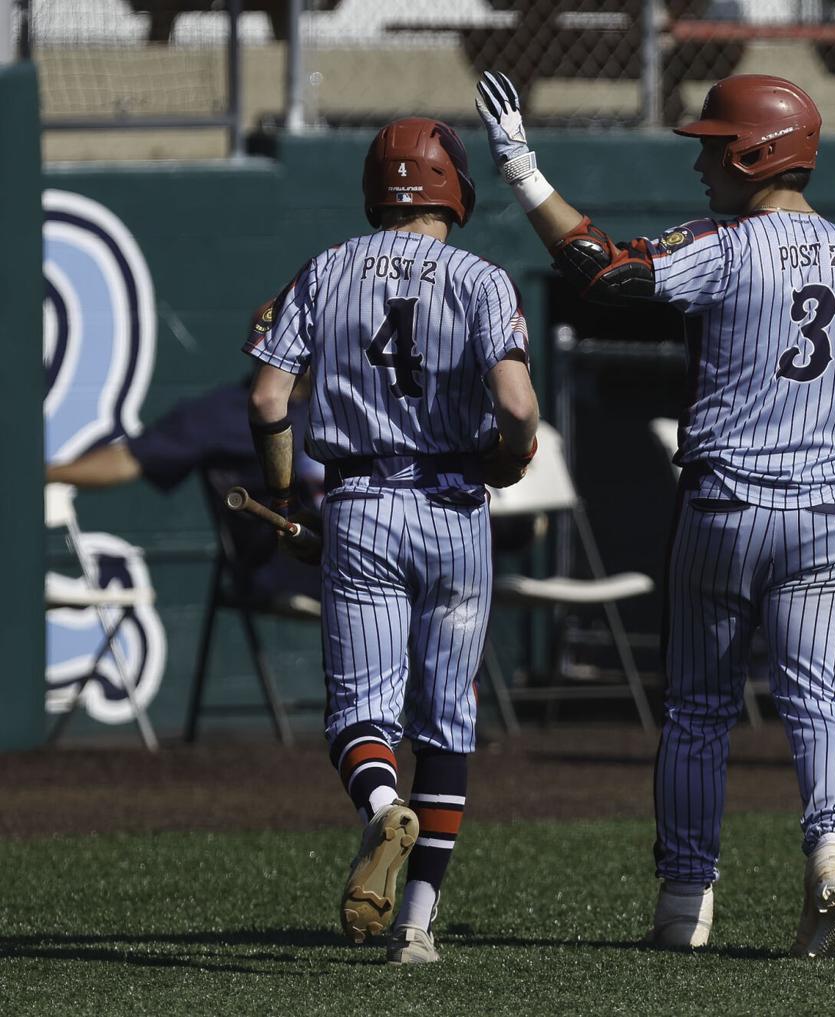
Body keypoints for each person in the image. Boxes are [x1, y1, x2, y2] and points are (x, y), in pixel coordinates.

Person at [475, 70, 835, 956]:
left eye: (715, 146)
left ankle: (685, 901)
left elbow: (602, 271)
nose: (703, 162)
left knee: (701, 710)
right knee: (821, 700)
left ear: (756, 152)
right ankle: (833, 847)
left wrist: (521, 167)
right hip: (825, 515)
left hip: (724, 507)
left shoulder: (724, 243)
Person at [243, 117, 539, 966]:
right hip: (455, 505)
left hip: (364, 502)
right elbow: (517, 411)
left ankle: (380, 806)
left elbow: (268, 398)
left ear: (377, 190)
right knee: (446, 723)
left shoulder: (327, 269)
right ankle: (416, 926)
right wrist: (510, 459)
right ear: (456, 191)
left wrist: (280, 493)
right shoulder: (483, 279)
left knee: (359, 715)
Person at [46, 350, 322, 613]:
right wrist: (40, 476)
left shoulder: (345, 404)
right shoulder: (224, 414)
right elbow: (130, 459)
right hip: (290, 565)